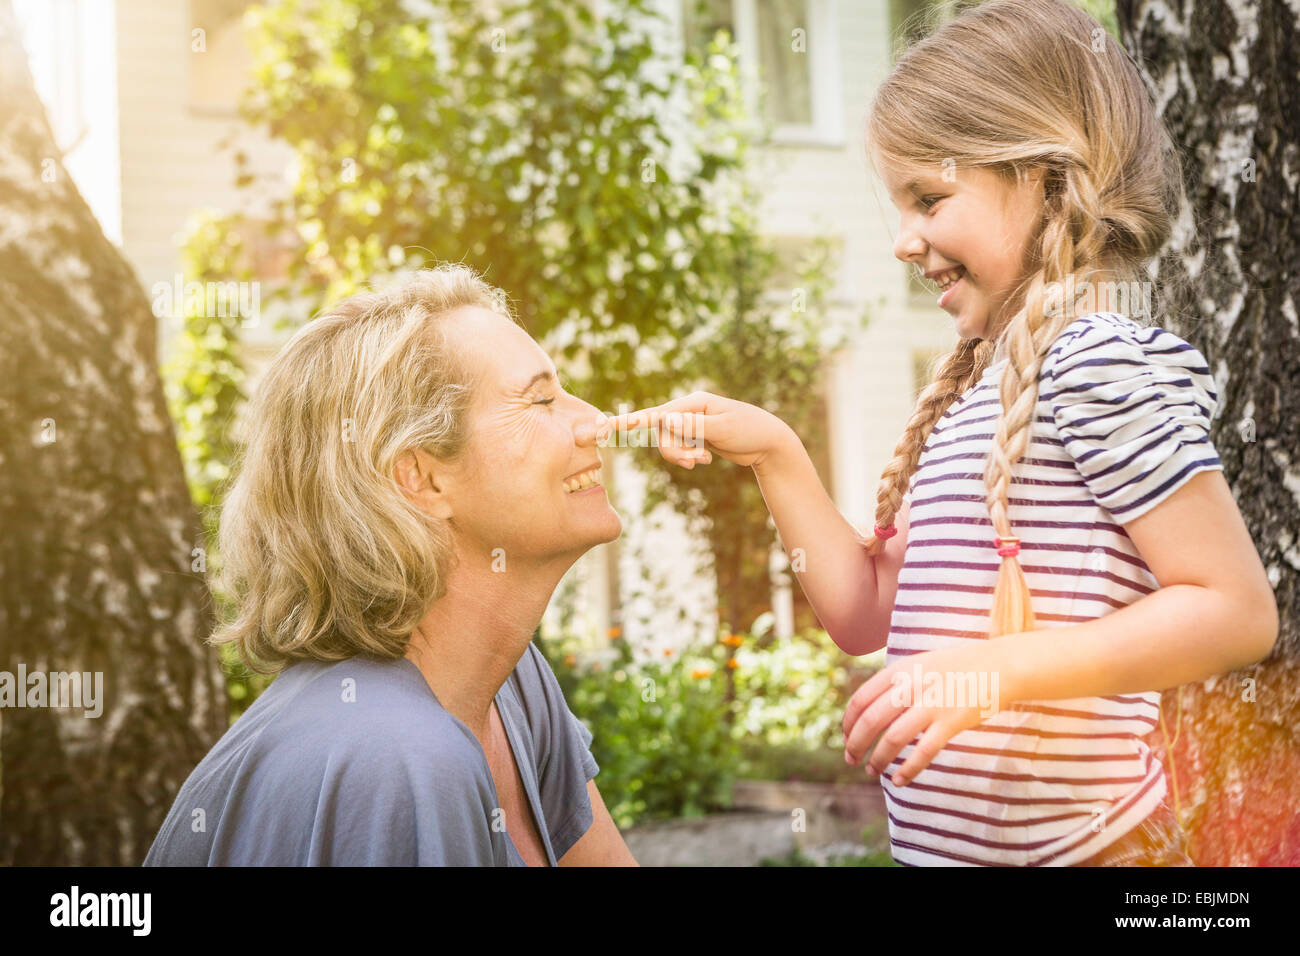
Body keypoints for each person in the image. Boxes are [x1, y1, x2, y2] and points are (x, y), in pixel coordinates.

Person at [607, 0, 1277, 866]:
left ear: (1046, 177)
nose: (902, 240)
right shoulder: (981, 392)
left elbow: (1235, 612)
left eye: (929, 198)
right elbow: (862, 614)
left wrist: (989, 673)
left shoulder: (1101, 361)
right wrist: (776, 450)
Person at [145, 264, 637, 866]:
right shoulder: (397, 760)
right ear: (422, 479)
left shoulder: (512, 688)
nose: (595, 421)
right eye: (540, 399)